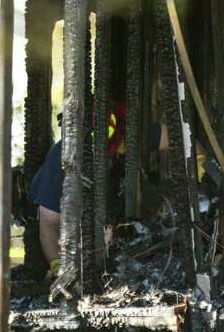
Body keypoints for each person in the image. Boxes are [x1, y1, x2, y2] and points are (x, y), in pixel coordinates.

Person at [30, 107, 168, 268]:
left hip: (120, 225)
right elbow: (49, 223)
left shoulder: (127, 135)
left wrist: (200, 166)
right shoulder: (60, 159)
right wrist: (57, 265)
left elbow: (176, 137)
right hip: (76, 229)